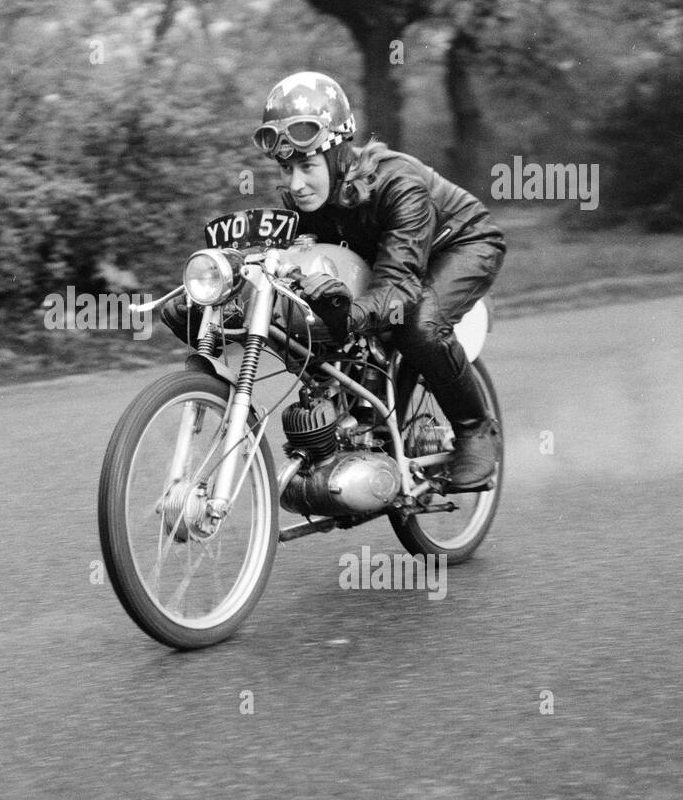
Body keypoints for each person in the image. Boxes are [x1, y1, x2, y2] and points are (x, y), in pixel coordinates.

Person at [161, 70, 507, 490]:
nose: (296, 184)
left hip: (459, 245)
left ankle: (474, 431)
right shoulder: (305, 201)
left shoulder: (399, 183)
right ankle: (366, 422)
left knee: (417, 325)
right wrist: (215, 298)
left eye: (307, 165)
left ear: (338, 153)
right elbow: (275, 266)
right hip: (388, 259)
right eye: (286, 169)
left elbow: (398, 288)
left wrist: (349, 314)